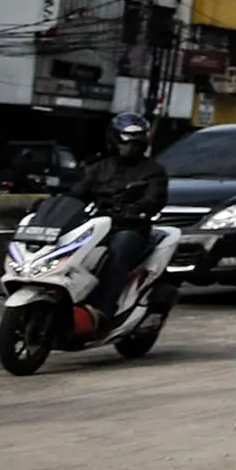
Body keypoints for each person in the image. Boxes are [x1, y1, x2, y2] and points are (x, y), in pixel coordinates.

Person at [70, 111, 167, 326]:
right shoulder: (98, 168)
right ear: (114, 141)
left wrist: (135, 209)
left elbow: (154, 199)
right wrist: (51, 203)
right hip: (96, 225)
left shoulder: (153, 171)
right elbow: (77, 194)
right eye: (125, 143)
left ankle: (103, 309)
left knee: (117, 252)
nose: (130, 148)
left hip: (131, 228)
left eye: (135, 143)